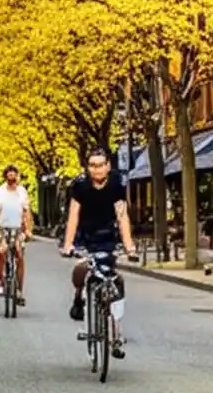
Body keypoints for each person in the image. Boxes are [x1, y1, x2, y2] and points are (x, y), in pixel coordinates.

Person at [61, 151, 136, 358]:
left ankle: (116, 333)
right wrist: (68, 244)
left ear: (108, 166)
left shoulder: (116, 187)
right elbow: (73, 216)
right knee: (82, 270)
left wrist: (129, 246)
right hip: (86, 237)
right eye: (93, 165)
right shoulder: (81, 187)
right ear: (88, 168)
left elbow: (122, 216)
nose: (97, 169)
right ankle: (79, 297)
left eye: (101, 165)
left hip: (108, 236)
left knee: (115, 281)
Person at [0, 164, 32, 304]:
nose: (13, 178)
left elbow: (26, 211)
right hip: (3, 227)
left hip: (17, 228)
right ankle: (0, 282)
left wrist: (28, 229)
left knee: (19, 255)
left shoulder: (21, 192)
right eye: (10, 175)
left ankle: (19, 290)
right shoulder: (0, 192)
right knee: (1, 253)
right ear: (6, 177)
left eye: (15, 175)